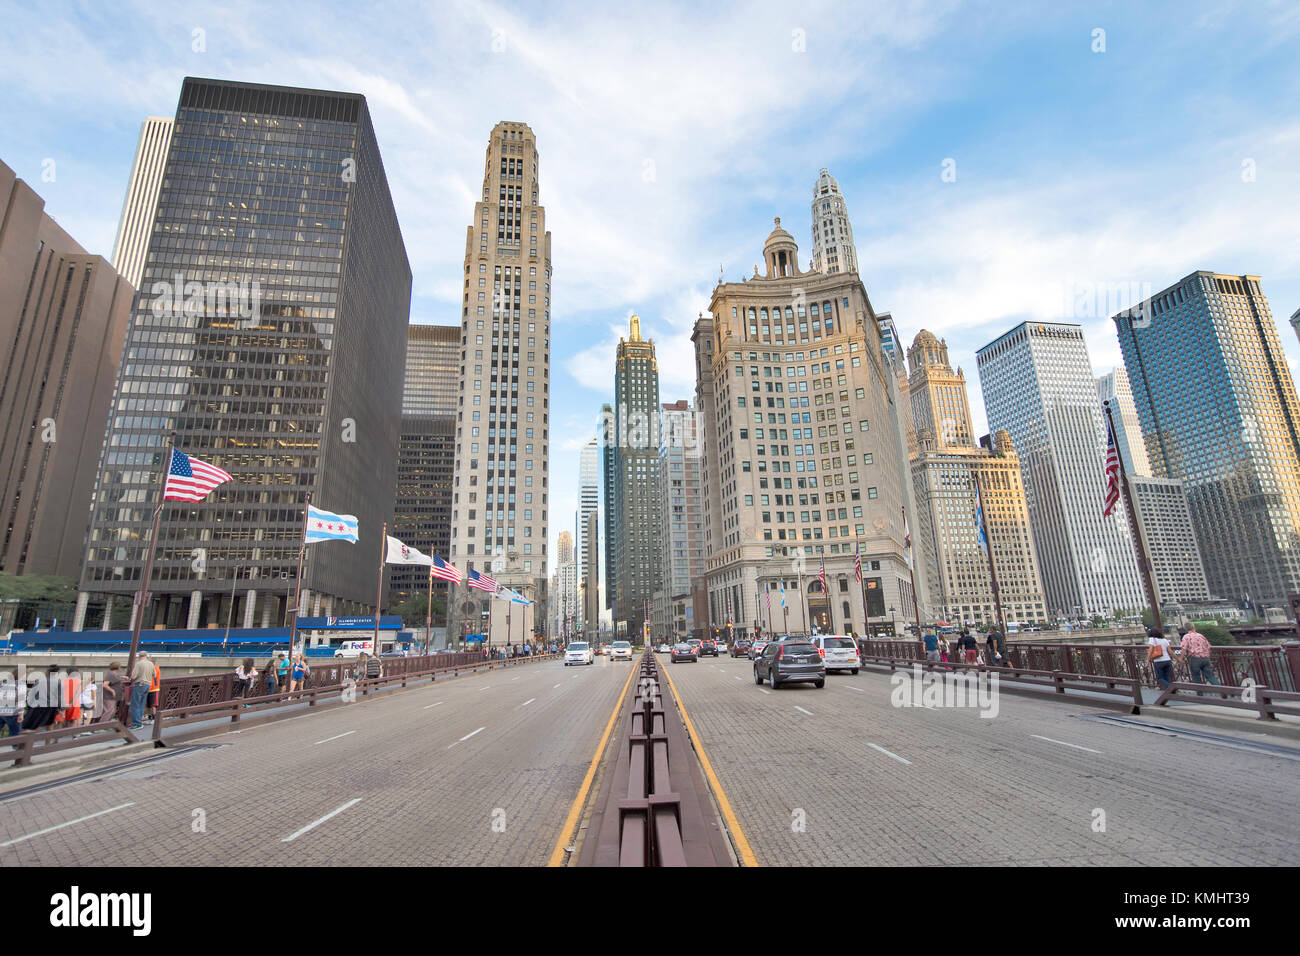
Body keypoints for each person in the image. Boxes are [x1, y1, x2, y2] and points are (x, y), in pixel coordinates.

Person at [1176, 626, 1218, 694]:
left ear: (1187, 630)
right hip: (1205, 658)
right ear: (1194, 628)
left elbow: (1184, 648)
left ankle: (1200, 694)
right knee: (1210, 676)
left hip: (1194, 658)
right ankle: (1221, 690)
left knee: (1196, 677)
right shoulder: (1201, 636)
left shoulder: (1186, 637)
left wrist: (1181, 658)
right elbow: (1209, 646)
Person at [128, 654, 153, 730]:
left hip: (140, 684)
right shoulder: (151, 664)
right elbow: (154, 675)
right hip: (148, 685)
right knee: (141, 704)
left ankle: (137, 724)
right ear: (146, 656)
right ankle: (139, 722)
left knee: (135, 704)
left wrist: (130, 680)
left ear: (139, 657)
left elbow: (134, 676)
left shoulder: (139, 663)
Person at [0, 672, 22, 742]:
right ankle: (17, 749)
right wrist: (21, 713)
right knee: (15, 733)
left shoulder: (3, 684)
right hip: (12, 713)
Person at [145, 657, 161, 721]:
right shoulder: (156, 669)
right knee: (150, 705)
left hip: (153, 688)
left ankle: (153, 718)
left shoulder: (154, 669)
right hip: (152, 688)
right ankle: (150, 717)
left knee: (152, 705)